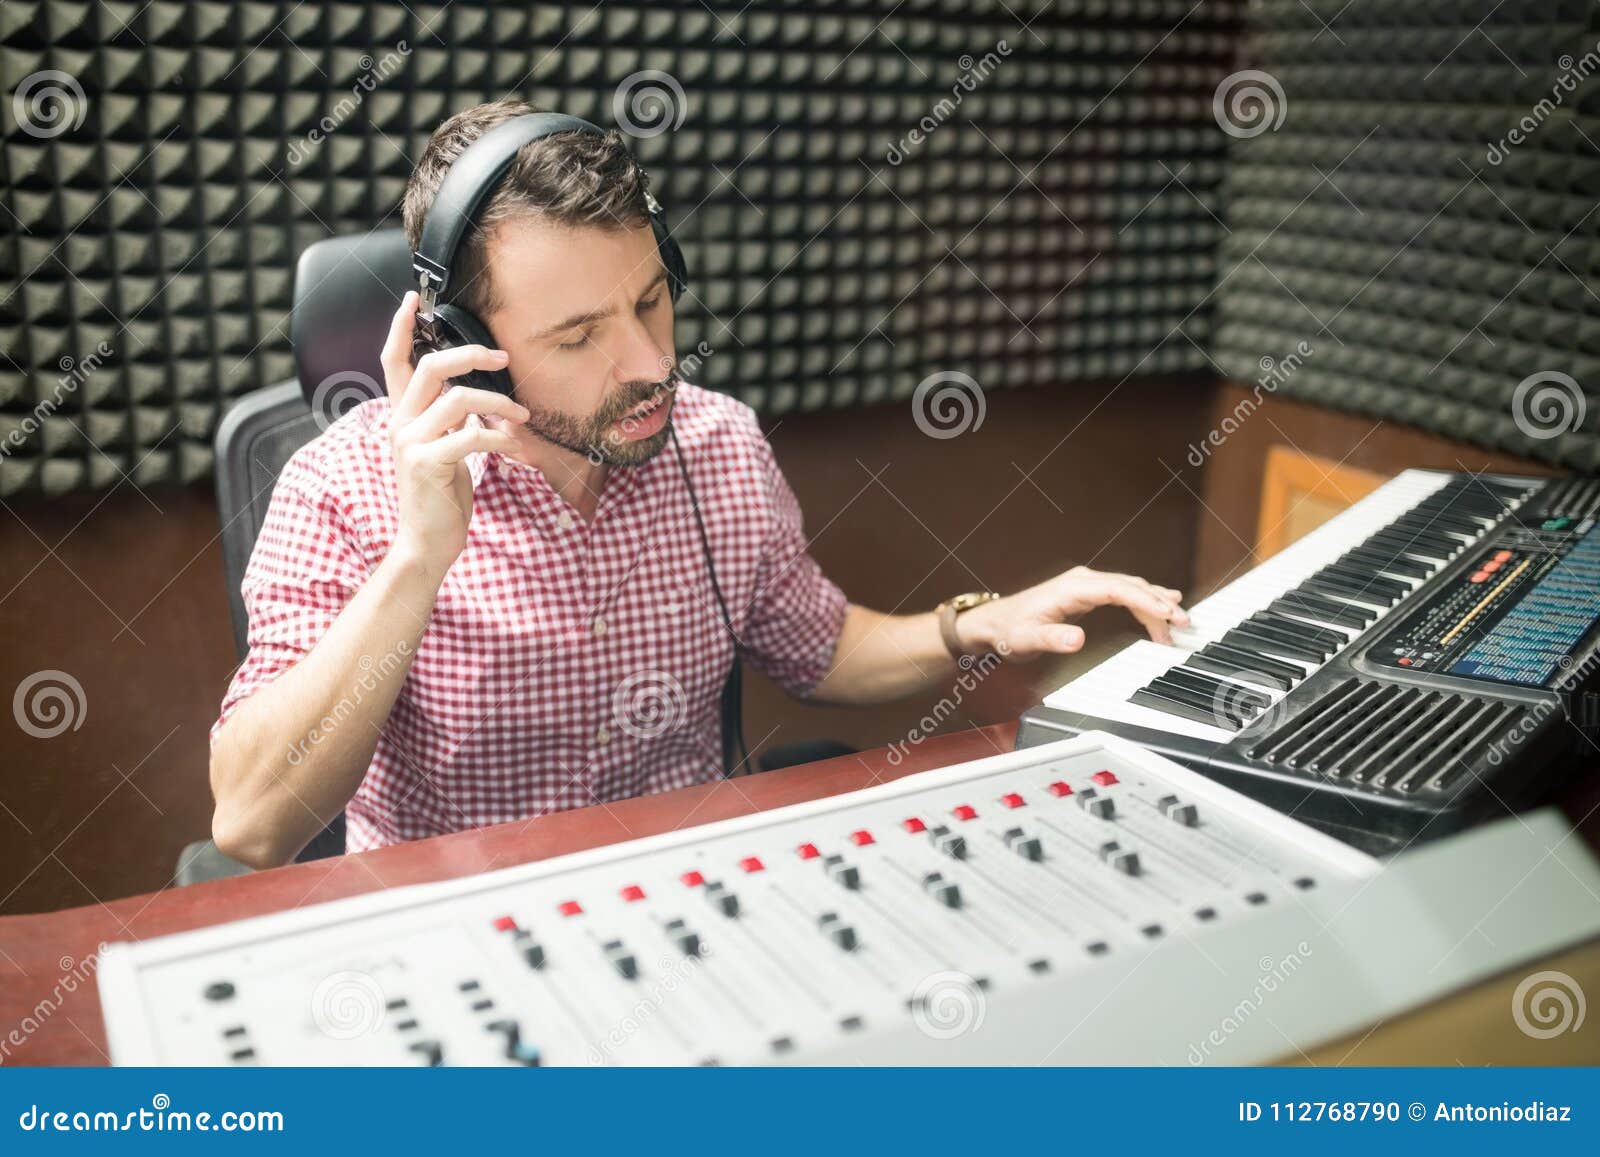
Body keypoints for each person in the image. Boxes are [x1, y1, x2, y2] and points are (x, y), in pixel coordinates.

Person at [208, 99, 1190, 868]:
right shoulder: (339, 485)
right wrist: (418, 558)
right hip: (462, 930)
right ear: (464, 347)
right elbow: (253, 823)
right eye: (578, 337)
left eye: (651, 301)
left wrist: (973, 624)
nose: (650, 365)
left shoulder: (718, 442)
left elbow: (818, 647)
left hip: (686, 897)